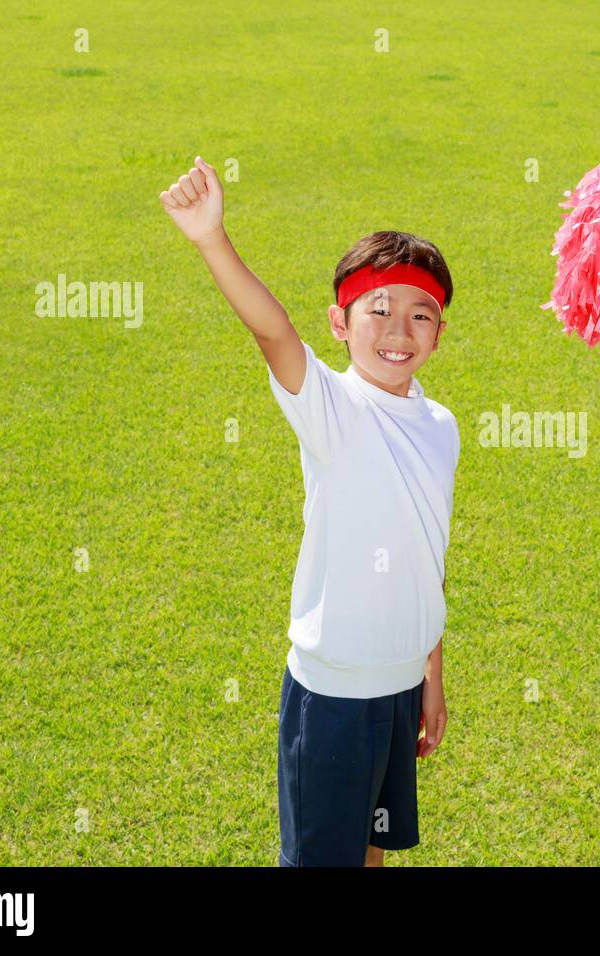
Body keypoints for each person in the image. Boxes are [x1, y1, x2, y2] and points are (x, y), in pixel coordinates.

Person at [160, 158, 458, 866]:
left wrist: (430, 673)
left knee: (371, 850)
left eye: (420, 314)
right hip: (334, 694)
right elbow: (273, 334)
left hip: (398, 685)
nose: (398, 329)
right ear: (340, 323)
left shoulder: (440, 424)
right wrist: (211, 238)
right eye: (378, 310)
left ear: (440, 333)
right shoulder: (332, 407)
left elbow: (429, 556)